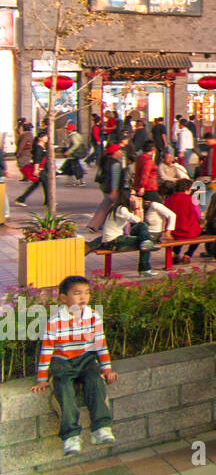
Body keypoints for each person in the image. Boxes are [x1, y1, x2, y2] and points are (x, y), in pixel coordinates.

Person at [31, 276, 116, 455]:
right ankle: (71, 436)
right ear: (63, 298)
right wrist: (42, 379)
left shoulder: (93, 316)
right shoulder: (54, 321)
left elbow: (101, 344)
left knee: (95, 381)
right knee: (64, 388)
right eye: (77, 293)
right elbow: (46, 351)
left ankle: (101, 428)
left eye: (86, 293)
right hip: (62, 362)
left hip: (86, 360)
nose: (83, 297)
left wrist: (106, 369)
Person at [101, 189, 160, 276]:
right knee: (145, 243)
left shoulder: (117, 207)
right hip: (114, 241)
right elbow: (138, 219)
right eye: (132, 195)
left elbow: (139, 223)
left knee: (142, 230)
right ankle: (144, 269)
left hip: (115, 239)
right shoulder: (121, 209)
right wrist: (137, 207)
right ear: (127, 197)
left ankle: (146, 243)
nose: (135, 198)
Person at [164, 179, 205, 264]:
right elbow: (198, 215)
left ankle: (176, 253)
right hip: (189, 231)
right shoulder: (192, 199)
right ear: (188, 189)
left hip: (173, 232)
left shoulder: (168, 200)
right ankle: (188, 255)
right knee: (201, 233)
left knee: (179, 233)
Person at [15, 131, 51, 207]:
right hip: (40, 169)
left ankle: (21, 199)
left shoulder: (43, 147)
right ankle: (48, 202)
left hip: (42, 168)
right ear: (40, 138)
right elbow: (37, 160)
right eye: (45, 137)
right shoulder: (39, 148)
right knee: (45, 184)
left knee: (38, 185)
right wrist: (36, 169)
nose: (47, 138)